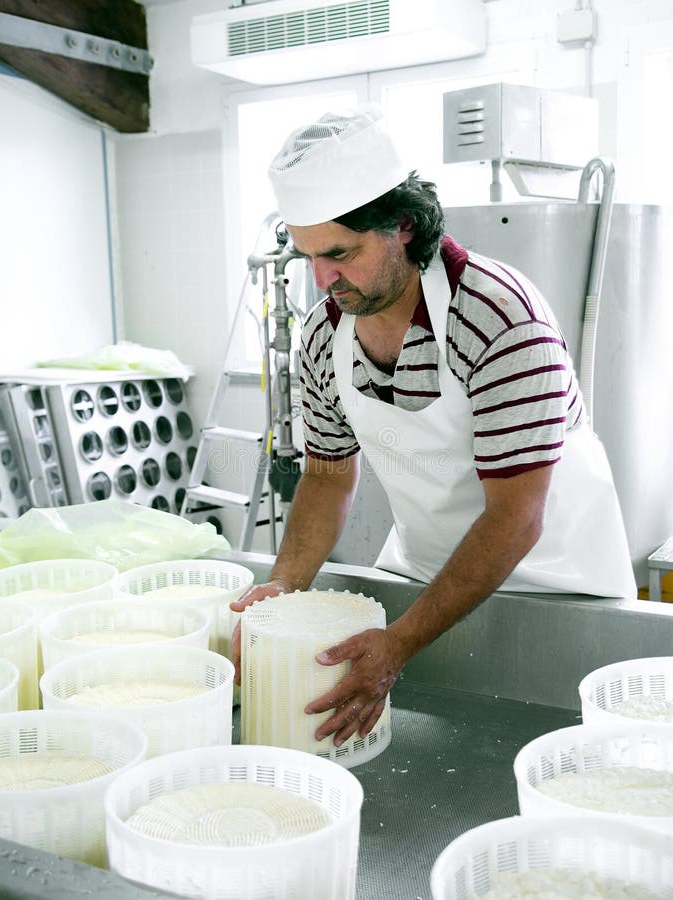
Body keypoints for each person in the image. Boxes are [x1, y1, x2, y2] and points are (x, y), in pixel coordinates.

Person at [230, 105, 636, 749]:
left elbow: (515, 518)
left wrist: (399, 644)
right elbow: (328, 477)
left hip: (560, 586)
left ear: (404, 227)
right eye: (308, 256)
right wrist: (280, 591)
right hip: (427, 580)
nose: (323, 280)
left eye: (340, 253)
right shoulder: (322, 336)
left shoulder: (500, 319)